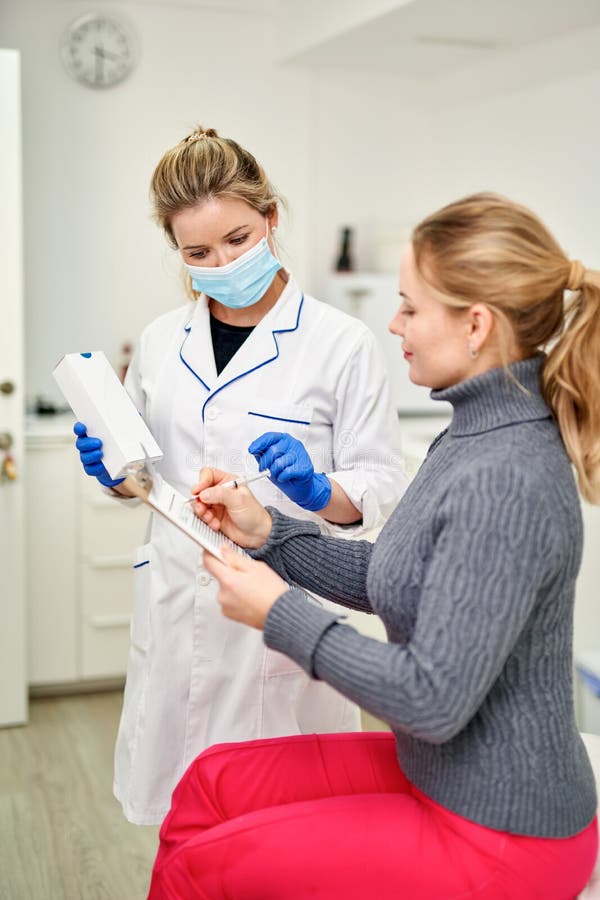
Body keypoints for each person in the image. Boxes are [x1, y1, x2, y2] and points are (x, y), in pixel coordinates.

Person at [149, 192, 600, 899]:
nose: (394, 324)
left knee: (195, 871)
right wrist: (271, 534)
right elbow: (399, 573)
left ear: (476, 324)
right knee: (211, 781)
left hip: (504, 828)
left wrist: (279, 613)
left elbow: (430, 698)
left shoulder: (505, 474)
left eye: (411, 308)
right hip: (447, 772)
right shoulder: (473, 430)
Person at [72, 126, 405, 826]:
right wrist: (110, 471)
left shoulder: (340, 344)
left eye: (238, 239)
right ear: (178, 251)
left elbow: (378, 484)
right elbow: (144, 473)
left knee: (287, 830)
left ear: (271, 218)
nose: (220, 261)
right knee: (182, 827)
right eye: (197, 252)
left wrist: (321, 490)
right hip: (174, 601)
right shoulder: (164, 341)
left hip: (277, 611)